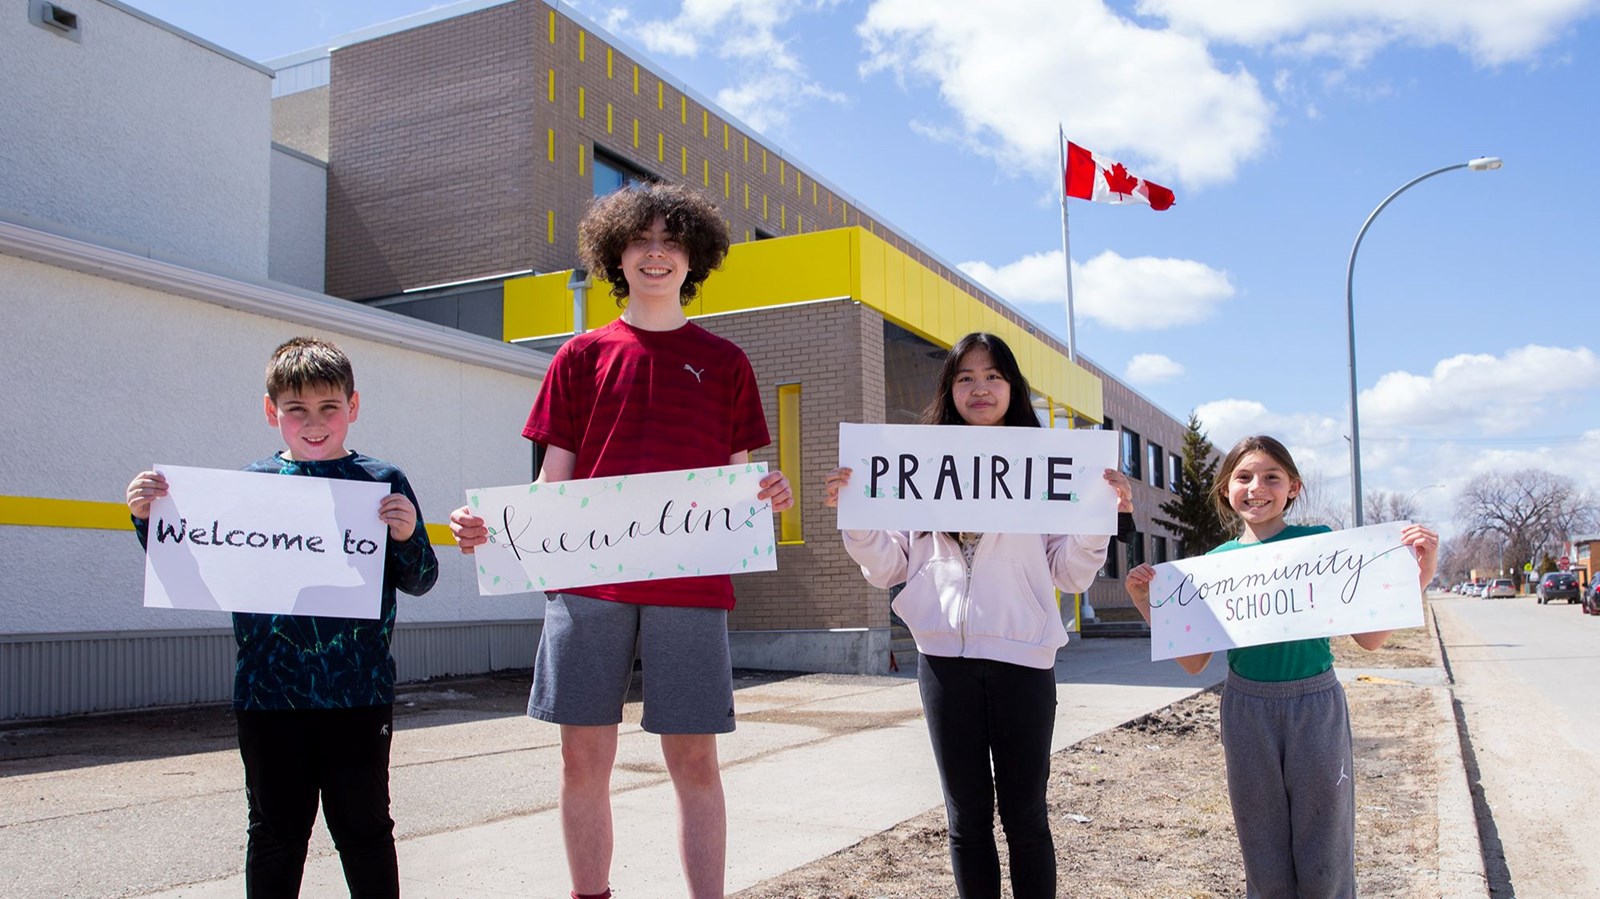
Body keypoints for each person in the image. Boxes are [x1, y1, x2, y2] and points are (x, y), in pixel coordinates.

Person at [447, 182, 792, 899]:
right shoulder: (578, 357)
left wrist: (767, 495)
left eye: (671, 240)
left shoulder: (727, 363)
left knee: (695, 760)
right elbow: (554, 479)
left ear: (694, 256)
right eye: (641, 239)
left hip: (691, 586)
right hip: (586, 584)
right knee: (581, 760)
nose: (657, 253)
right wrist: (499, 532)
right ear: (617, 253)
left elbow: (740, 482)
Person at [125, 336, 439, 898]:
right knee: (275, 834)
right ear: (272, 411)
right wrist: (149, 520)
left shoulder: (381, 482)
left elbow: (421, 579)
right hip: (269, 697)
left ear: (353, 406)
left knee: (365, 831)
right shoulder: (246, 488)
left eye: (328, 408)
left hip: (358, 696)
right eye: (296, 409)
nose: (313, 422)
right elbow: (194, 575)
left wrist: (406, 534)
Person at [822, 331, 1131, 899]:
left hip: (1023, 660)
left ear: (1012, 388)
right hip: (944, 663)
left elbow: (1068, 573)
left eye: (993, 376)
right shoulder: (915, 466)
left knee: (1026, 818)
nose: (980, 388)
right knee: (966, 823)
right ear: (949, 389)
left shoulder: (1050, 467)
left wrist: (1094, 521)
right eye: (965, 377)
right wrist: (858, 518)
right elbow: (890, 564)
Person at [1123, 434, 1438, 898]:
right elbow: (1193, 662)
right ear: (1226, 490)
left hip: (1315, 706)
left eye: (1272, 477)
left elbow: (1371, 640)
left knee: (1325, 845)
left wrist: (1421, 572)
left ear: (1293, 486)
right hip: (1247, 709)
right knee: (1262, 846)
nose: (1257, 487)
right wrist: (1145, 603)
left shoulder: (1320, 546)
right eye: (1244, 477)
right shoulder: (1214, 566)